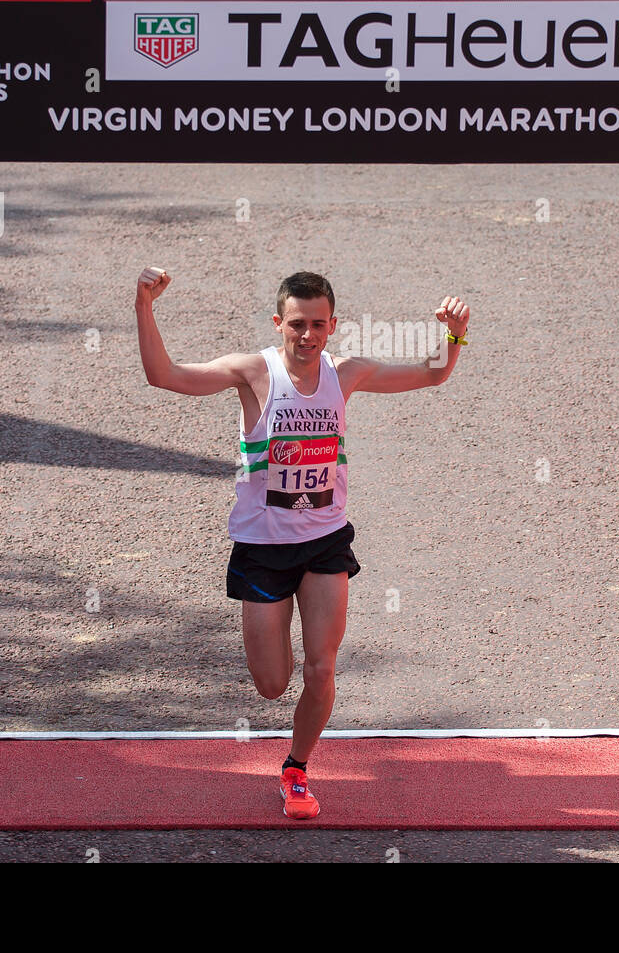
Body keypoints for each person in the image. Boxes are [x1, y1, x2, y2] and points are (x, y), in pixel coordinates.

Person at [134, 268, 470, 819]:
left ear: (332, 326)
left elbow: (431, 375)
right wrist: (144, 303)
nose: (307, 335)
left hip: (325, 541)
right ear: (278, 324)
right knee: (272, 684)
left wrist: (453, 335)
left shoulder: (348, 373)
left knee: (322, 668)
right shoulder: (252, 372)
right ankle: (278, 650)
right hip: (262, 549)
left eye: (318, 324)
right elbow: (163, 375)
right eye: (297, 324)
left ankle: (296, 767)